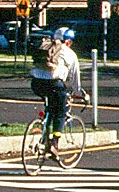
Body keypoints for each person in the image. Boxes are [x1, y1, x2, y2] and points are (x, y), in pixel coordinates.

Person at [30, 27, 84, 159]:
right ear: (69, 42)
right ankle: (54, 144)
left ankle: (45, 136)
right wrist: (82, 94)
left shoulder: (47, 48)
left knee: (50, 108)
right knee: (61, 111)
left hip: (36, 83)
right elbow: (75, 81)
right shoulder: (70, 54)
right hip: (54, 84)